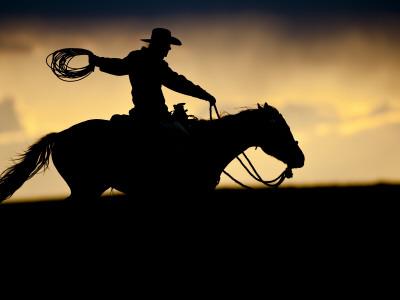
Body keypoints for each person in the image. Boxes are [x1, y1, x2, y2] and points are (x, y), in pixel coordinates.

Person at [89, 27, 216, 123]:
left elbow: (119, 66)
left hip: (139, 113)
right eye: (167, 45)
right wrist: (205, 95)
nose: (169, 49)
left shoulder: (137, 58)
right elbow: (179, 83)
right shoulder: (157, 64)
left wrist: (98, 61)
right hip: (155, 116)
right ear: (160, 45)